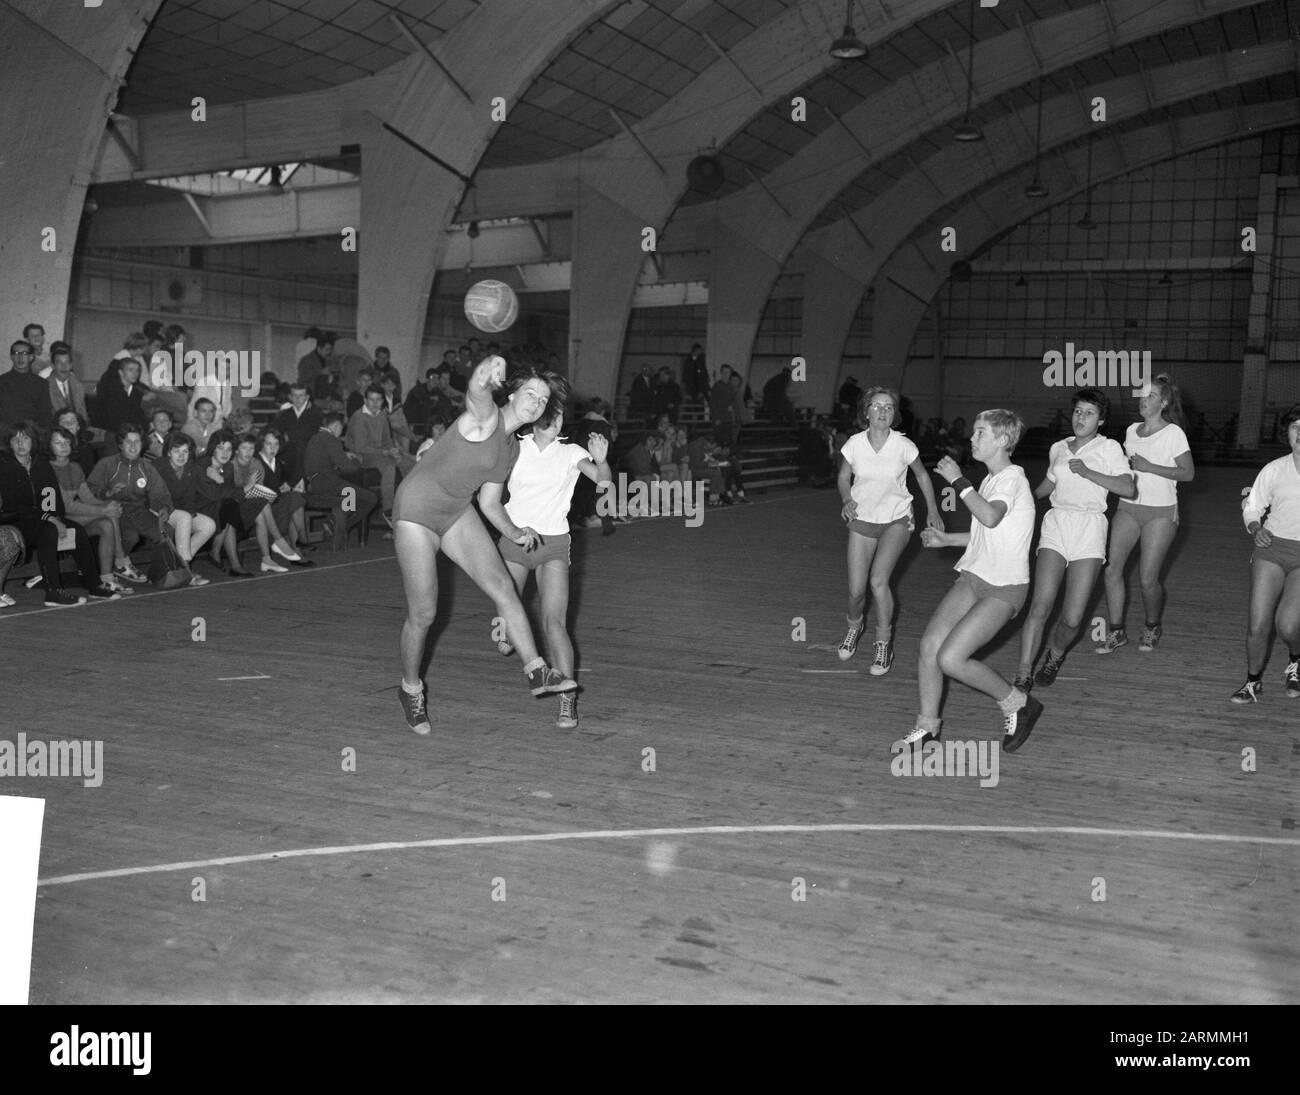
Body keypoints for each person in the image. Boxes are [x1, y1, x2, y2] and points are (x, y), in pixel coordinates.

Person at [392, 356, 577, 734]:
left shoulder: (509, 447)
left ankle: (535, 670)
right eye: (530, 394)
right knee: (425, 613)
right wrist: (489, 367)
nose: (537, 404)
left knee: (503, 587)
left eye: (543, 401)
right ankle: (411, 688)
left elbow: (491, 504)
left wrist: (516, 533)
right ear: (510, 392)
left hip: (456, 511)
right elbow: (477, 390)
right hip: (416, 511)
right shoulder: (485, 418)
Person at [905, 410, 1042, 753]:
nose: (972, 438)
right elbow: (986, 533)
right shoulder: (991, 480)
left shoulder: (1013, 479)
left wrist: (957, 481)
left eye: (980, 433)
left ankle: (1016, 702)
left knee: (951, 659)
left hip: (1004, 587)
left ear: (1002, 440)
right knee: (929, 647)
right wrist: (946, 540)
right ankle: (927, 729)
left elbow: (991, 516)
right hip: (973, 576)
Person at [492, 404, 611, 728]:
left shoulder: (571, 451)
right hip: (516, 539)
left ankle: (567, 701)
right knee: (505, 605)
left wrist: (601, 461)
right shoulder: (515, 446)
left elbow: (604, 484)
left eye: (560, 416)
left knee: (554, 623)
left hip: (554, 544)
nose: (557, 421)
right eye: (551, 415)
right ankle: (507, 630)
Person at [1014, 389, 1134, 689]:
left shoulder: (1109, 449)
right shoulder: (1059, 448)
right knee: (1040, 607)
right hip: (1056, 524)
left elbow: (1127, 488)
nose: (1081, 418)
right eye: (1078, 411)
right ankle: (1023, 672)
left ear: (1101, 420)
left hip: (1090, 529)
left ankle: (1055, 655)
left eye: (1089, 413)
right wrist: (1015, 499)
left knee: (1072, 619)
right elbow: (1048, 484)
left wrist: (1090, 472)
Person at [837, 387, 944, 674]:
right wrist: (847, 498)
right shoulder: (854, 444)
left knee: (877, 581)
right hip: (862, 518)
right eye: (877, 406)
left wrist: (933, 510)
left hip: (897, 519)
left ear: (894, 414)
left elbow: (921, 474)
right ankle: (854, 626)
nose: (883, 411)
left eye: (888, 407)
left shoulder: (903, 445)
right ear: (866, 411)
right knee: (856, 591)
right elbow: (844, 476)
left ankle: (883, 643)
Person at [1095, 374, 1194, 654]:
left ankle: (1152, 625)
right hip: (1129, 507)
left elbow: (1188, 473)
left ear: (1163, 403)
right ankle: (1116, 632)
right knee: (1112, 569)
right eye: (1142, 395)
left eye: (1151, 396)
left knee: (1147, 579)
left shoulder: (1173, 433)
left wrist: (1151, 467)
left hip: (1161, 512)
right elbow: (1126, 470)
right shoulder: (1130, 431)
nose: (1143, 400)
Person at [0, 421, 120, 606]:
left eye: (25, 438)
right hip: (18, 522)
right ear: (9, 443)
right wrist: (51, 520)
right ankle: (53, 592)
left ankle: (94, 585)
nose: (21, 443)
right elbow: (14, 506)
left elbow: (50, 497)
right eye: (16, 439)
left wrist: (53, 517)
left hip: (41, 518)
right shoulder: (5, 467)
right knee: (49, 531)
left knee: (77, 530)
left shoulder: (41, 465)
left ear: (33, 441)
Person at [1231, 410, 1300, 703]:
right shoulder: (1274, 469)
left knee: (1287, 624)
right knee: (1258, 624)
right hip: (1271, 548)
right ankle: (1252, 682)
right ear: (1288, 433)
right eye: (1296, 427)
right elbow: (1252, 505)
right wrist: (1256, 527)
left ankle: (1296, 660)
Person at [49, 425, 141, 595]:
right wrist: (103, 510)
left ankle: (106, 579)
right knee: (107, 514)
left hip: (76, 516)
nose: (63, 446)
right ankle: (121, 561)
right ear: (50, 446)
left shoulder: (75, 467)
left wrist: (108, 505)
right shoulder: (48, 468)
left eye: (67, 442)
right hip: (57, 518)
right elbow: (65, 505)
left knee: (107, 523)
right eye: (58, 443)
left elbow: (87, 498)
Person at [85, 422, 172, 580]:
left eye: (137, 441)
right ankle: (112, 566)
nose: (133, 446)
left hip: (138, 511)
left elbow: (160, 493)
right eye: (128, 442)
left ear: (142, 444)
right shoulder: (107, 464)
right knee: (131, 537)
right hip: (112, 512)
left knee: (166, 531)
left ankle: (159, 572)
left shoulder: (147, 468)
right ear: (120, 444)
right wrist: (107, 492)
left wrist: (164, 508)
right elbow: (89, 489)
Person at [303, 412, 381, 550]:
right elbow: (348, 468)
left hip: (314, 484)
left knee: (349, 495)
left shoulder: (315, 438)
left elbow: (323, 458)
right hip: (330, 484)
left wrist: (343, 455)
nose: (341, 431)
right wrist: (358, 461)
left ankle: (336, 525)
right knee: (370, 498)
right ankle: (338, 526)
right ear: (335, 426)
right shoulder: (332, 440)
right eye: (341, 428)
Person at [231, 433, 307, 572]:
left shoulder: (258, 463)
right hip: (239, 506)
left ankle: (274, 556)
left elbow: (259, 489)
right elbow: (235, 493)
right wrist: (249, 487)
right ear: (236, 450)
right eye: (244, 448)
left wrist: (286, 486)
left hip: (260, 503)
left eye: (251, 448)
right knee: (263, 506)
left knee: (294, 499)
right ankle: (280, 543)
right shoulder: (232, 465)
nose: (248, 452)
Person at [152, 432, 215, 586]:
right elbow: (154, 496)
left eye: (185, 451)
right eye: (176, 451)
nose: (181, 456)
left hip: (180, 511)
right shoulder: (158, 466)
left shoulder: (192, 468)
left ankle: (180, 565)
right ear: (168, 452)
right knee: (184, 518)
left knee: (208, 525)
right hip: (158, 510)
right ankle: (187, 572)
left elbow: (192, 496)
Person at [255, 429, 312, 565]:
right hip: (262, 507)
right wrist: (279, 490)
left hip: (275, 501)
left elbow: (278, 485)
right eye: (269, 444)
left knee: (295, 499)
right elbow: (258, 490)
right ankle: (301, 542)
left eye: (276, 444)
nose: (273, 448)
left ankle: (298, 547)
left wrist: (283, 487)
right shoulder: (256, 462)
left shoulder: (277, 461)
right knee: (293, 501)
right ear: (261, 444)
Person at [0, 341, 52, 429]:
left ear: (31, 357)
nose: (20, 357)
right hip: (5, 433)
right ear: (11, 357)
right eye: (16, 353)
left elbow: (45, 416)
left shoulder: (41, 383)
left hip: (32, 433)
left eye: (25, 353)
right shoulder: (2, 381)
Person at [46, 342, 88, 422]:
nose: (64, 366)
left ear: (71, 365)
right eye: (59, 363)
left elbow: (83, 414)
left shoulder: (78, 386)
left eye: (67, 362)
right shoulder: (45, 386)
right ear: (52, 365)